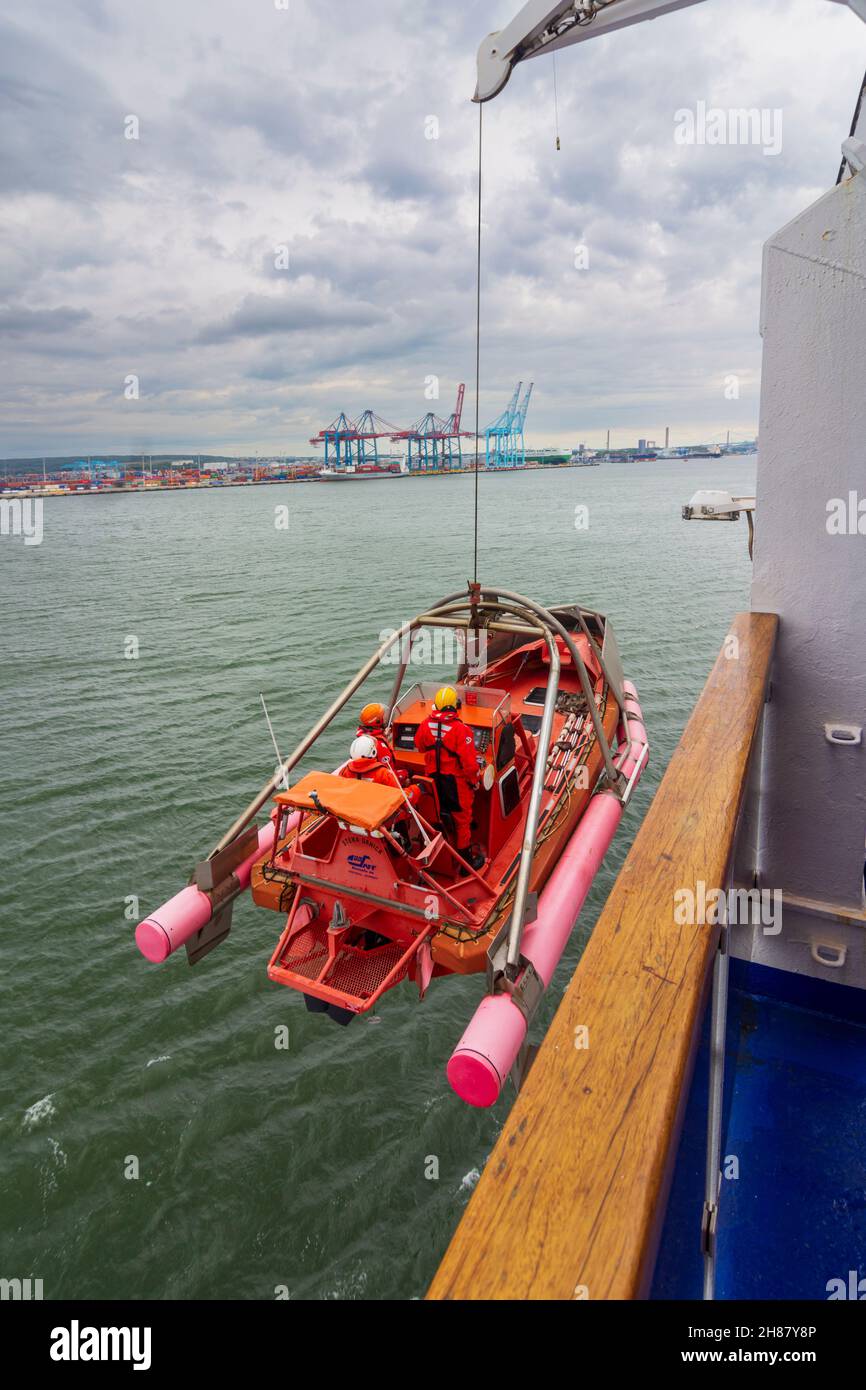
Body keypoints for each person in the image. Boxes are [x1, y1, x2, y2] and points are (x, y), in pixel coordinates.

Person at [414, 686, 484, 870]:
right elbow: (470, 765)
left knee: (438, 813)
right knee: (463, 820)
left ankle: (440, 849)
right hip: (455, 784)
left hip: (433, 781)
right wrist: (475, 781)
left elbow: (419, 747)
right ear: (454, 706)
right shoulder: (462, 730)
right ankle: (466, 863)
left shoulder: (424, 725)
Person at [357, 702, 397, 769]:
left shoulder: (361, 737)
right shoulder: (380, 746)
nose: (385, 718)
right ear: (377, 721)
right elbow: (389, 771)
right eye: (383, 717)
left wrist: (383, 734)